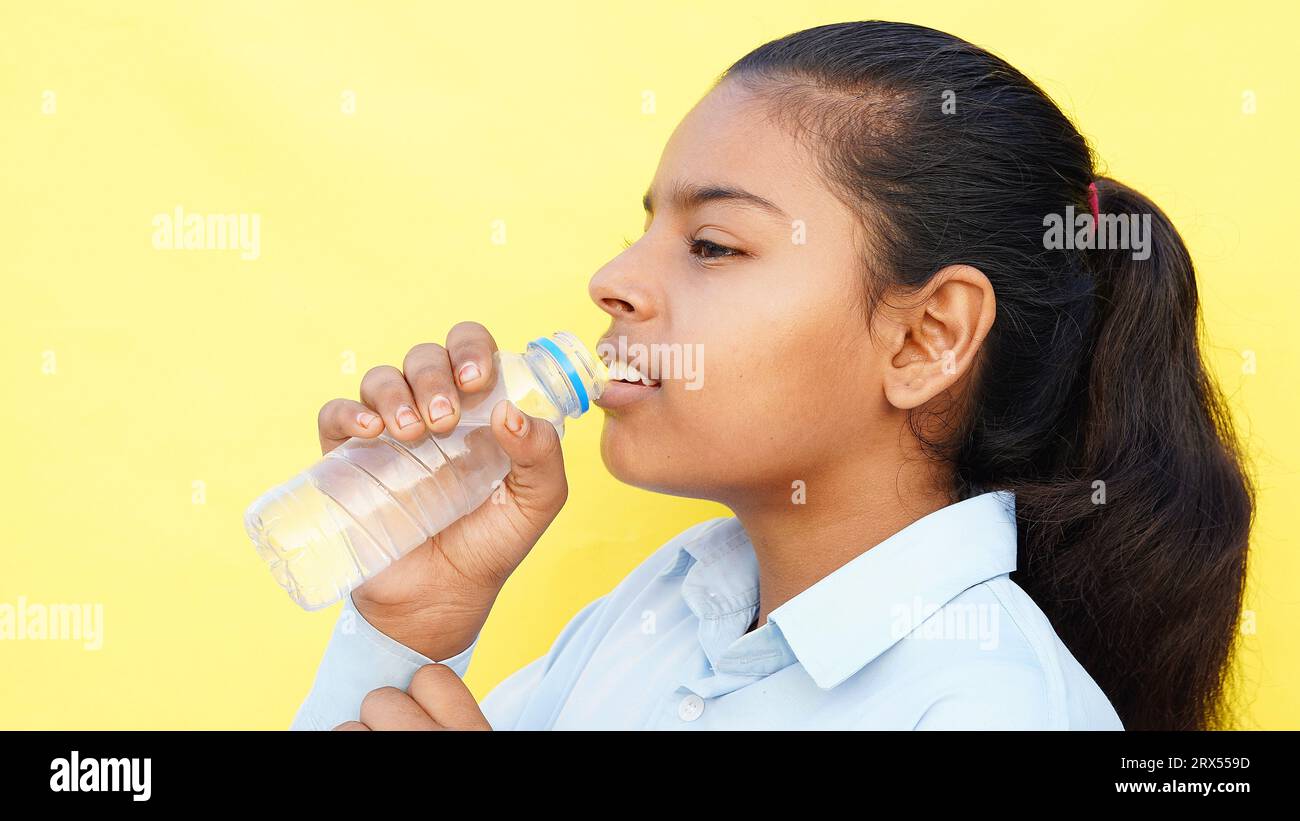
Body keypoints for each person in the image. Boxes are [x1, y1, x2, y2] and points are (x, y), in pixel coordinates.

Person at [289, 20, 1253, 731]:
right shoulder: (665, 604)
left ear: (924, 340)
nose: (613, 282)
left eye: (710, 244)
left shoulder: (992, 705)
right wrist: (408, 624)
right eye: (644, 231)